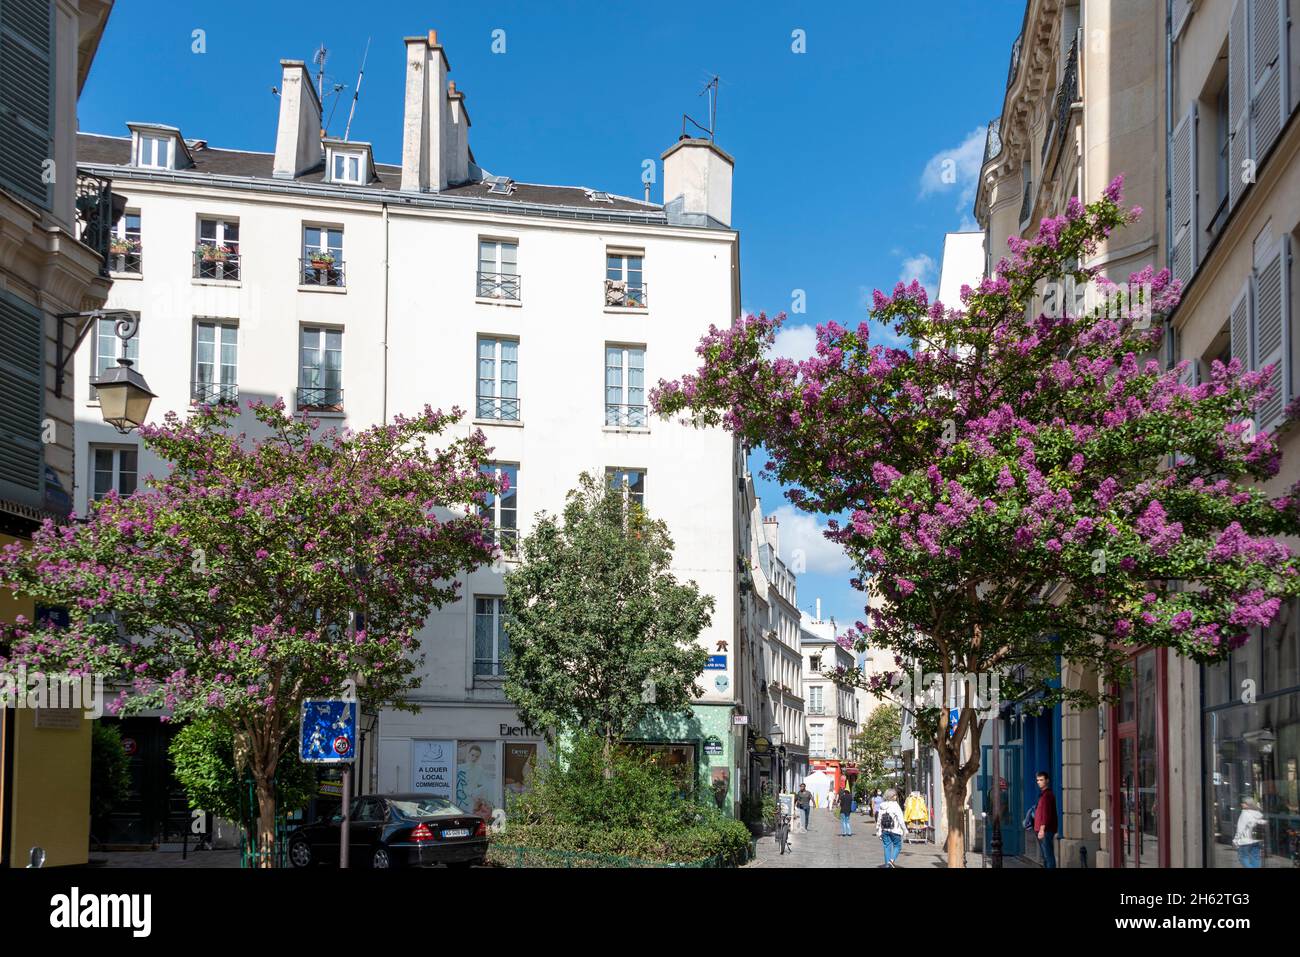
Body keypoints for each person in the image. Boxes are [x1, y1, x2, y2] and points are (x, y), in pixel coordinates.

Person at [1031, 770, 1058, 869]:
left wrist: (1042, 829)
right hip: (1040, 829)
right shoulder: (1043, 794)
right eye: (1038, 780)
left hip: (1045, 830)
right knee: (1045, 857)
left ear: (1047, 781)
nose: (1039, 782)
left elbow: (1046, 814)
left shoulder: (1047, 795)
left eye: (1041, 780)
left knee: (1048, 855)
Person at [876, 788, 906, 867]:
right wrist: (905, 829)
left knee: (886, 847)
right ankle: (891, 860)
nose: (896, 796)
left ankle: (887, 866)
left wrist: (878, 830)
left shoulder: (882, 806)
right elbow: (901, 819)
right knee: (898, 846)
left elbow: (879, 819)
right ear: (892, 796)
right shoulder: (895, 805)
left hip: (884, 830)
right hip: (895, 830)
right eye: (895, 795)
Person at [1232, 797, 1266, 868]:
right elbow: (1263, 823)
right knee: (1255, 857)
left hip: (1245, 841)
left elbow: (1240, 829)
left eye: (1243, 803)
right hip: (1256, 840)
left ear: (1248, 804)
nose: (1242, 804)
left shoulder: (1244, 814)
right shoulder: (1258, 813)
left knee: (1243, 858)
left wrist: (1235, 840)